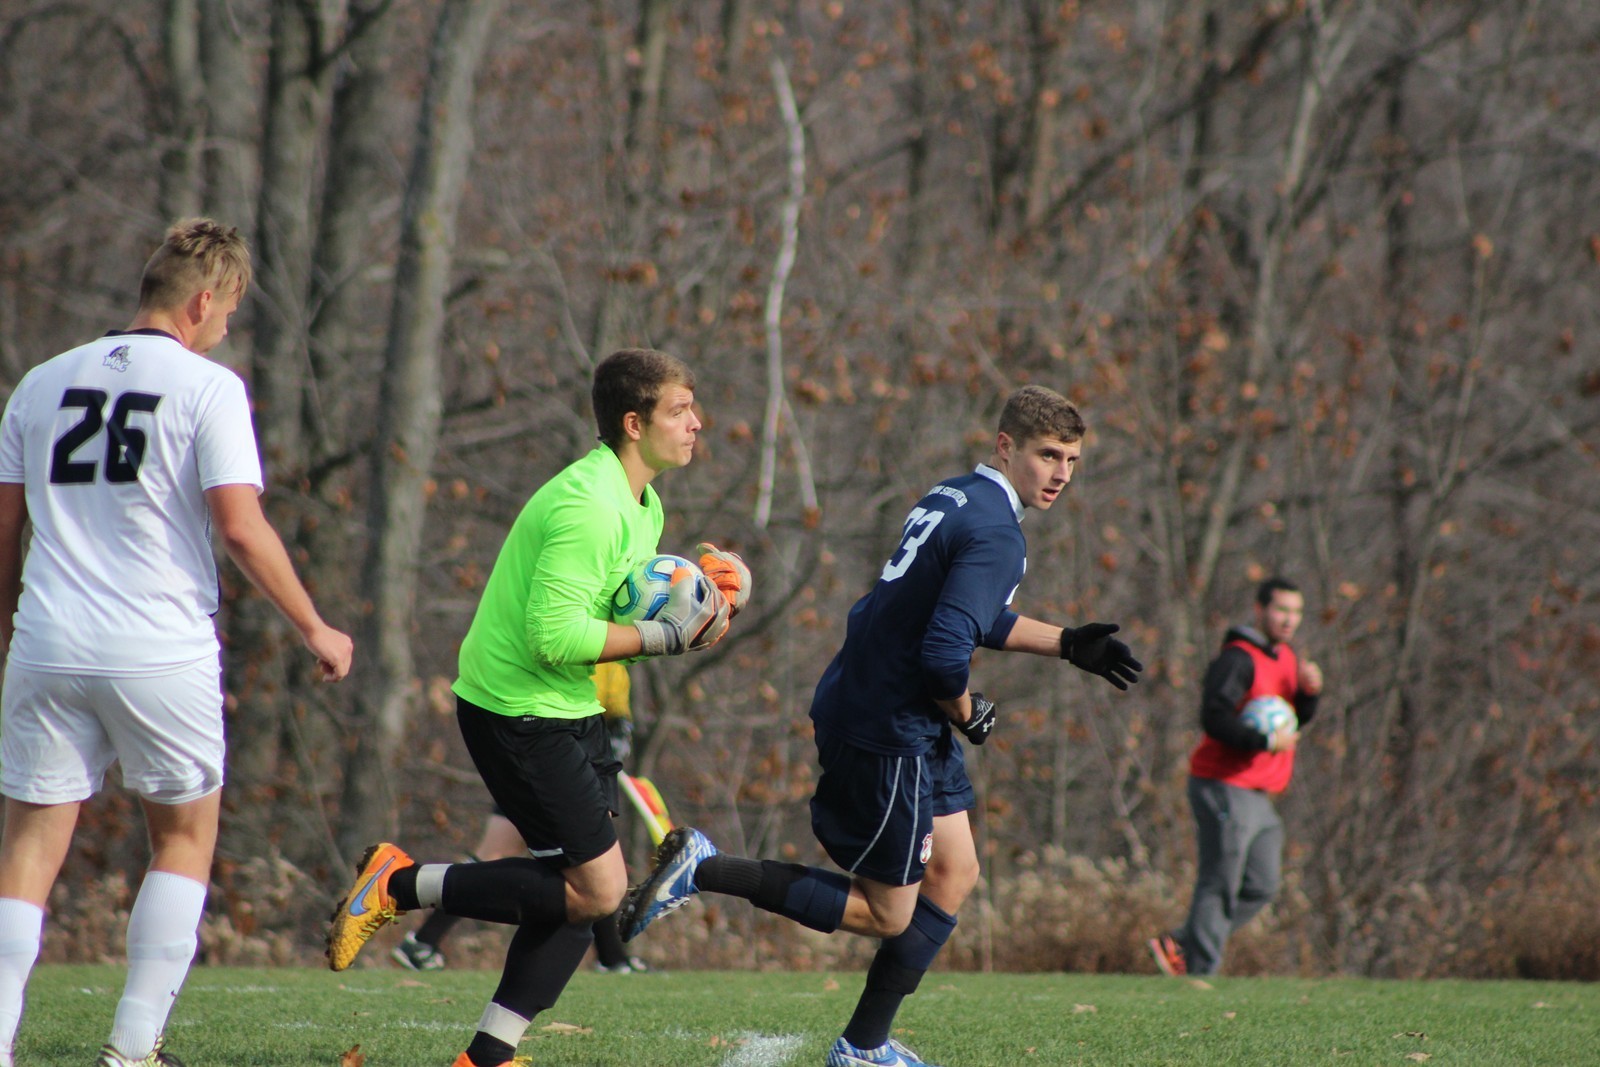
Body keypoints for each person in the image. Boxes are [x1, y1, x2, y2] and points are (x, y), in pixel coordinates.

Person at [618, 385, 1143, 1067]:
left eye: (1071, 459)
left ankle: (863, 1046)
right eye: (1047, 454)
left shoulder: (955, 496)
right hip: (888, 725)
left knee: (955, 870)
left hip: (888, 706)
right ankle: (705, 867)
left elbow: (957, 614)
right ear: (1006, 446)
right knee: (890, 912)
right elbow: (946, 651)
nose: (1061, 473)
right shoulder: (996, 532)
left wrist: (1069, 641)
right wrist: (967, 711)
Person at [325, 348, 747, 1067]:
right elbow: (554, 639)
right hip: (513, 707)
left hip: (566, 703)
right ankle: (396, 883)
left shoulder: (643, 504)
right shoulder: (587, 505)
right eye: (681, 410)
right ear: (633, 422)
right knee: (597, 889)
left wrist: (700, 599)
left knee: (581, 896)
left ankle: (487, 1056)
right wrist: (666, 634)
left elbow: (616, 614)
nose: (697, 422)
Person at [0, 218, 354, 1067]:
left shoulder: (40, 383)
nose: (225, 327)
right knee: (184, 838)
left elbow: (4, 531)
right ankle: (130, 1050)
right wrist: (313, 622)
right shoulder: (209, 387)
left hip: (46, 642)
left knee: (26, 852)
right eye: (227, 312)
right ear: (202, 301)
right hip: (159, 646)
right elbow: (240, 525)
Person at [391, 663, 654, 975]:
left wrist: (618, 726)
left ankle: (422, 939)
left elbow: (613, 697)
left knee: (571, 861)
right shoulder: (585, 635)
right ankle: (410, 909)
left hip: (554, 756)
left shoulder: (612, 643)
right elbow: (593, 694)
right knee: (591, 860)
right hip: (551, 757)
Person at [1147, 576, 1324, 978]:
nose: (1289, 620)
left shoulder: (1289, 659)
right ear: (1260, 610)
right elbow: (1213, 719)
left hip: (1261, 792)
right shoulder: (1237, 658)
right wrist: (1263, 738)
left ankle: (1182, 943)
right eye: (1281, 610)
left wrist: (1310, 694)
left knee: (1263, 885)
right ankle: (1200, 974)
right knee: (1219, 882)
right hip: (1223, 783)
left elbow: (1294, 724)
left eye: (1296, 612)